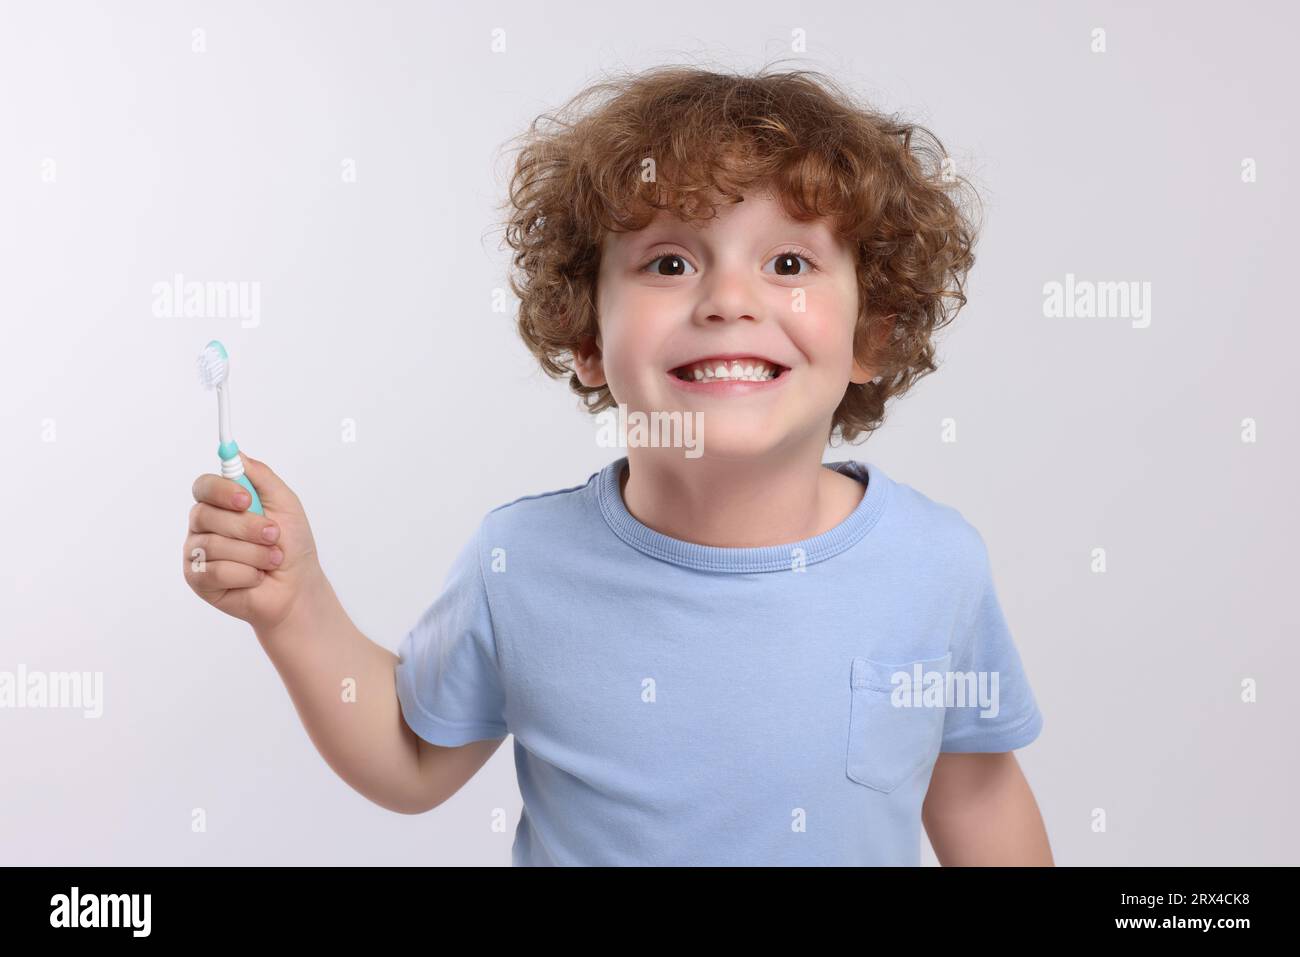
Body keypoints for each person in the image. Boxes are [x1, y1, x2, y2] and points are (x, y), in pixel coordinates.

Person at [183, 64, 1050, 866]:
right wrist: (294, 605)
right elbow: (411, 757)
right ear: (585, 338)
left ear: (873, 334)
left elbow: (975, 793)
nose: (729, 301)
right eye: (669, 262)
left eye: (789, 262)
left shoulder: (936, 564)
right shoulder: (519, 561)